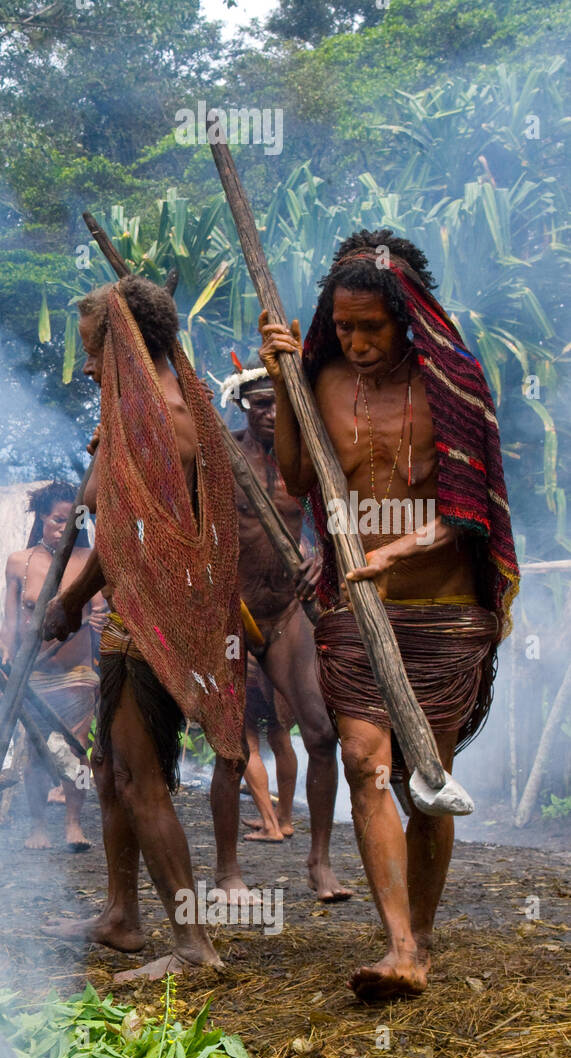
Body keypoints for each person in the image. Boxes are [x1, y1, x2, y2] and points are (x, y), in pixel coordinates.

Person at [258, 230, 519, 999]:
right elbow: (299, 473)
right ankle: (398, 947)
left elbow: (471, 509)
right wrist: (286, 383)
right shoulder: (323, 382)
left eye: (370, 326)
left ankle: (424, 934)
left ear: (406, 319)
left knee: (425, 780)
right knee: (362, 762)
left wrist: (395, 552)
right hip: (355, 606)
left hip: (440, 608)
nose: (356, 341)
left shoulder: (456, 383)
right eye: (342, 327)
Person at [44, 276, 245, 981]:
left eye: (95, 351)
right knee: (110, 772)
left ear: (124, 344)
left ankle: (192, 943)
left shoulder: (154, 419)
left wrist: (69, 601)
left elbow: (131, 537)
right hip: (148, 614)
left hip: (155, 619)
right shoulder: (161, 409)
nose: (90, 367)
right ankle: (120, 916)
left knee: (136, 775)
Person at [214, 359, 349, 899]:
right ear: (242, 406)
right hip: (230, 612)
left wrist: (324, 552)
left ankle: (319, 861)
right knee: (231, 745)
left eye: (282, 402)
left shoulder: (305, 460)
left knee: (320, 731)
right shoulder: (219, 454)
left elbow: (338, 516)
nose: (272, 413)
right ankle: (227, 872)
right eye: (262, 403)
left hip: (285, 612)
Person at [2, 479, 102, 850]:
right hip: (34, 675)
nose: (64, 527)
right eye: (58, 519)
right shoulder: (20, 562)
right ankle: (39, 827)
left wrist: (99, 620)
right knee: (35, 751)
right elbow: (10, 622)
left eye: (72, 520)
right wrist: (7, 663)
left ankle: (73, 824)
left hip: (76, 675)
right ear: (42, 518)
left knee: (76, 751)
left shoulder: (88, 562)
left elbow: (101, 614)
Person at [240, 655, 296, 842]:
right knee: (280, 738)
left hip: (250, 672)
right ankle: (284, 819)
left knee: (247, 744)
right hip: (278, 671)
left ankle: (270, 825)